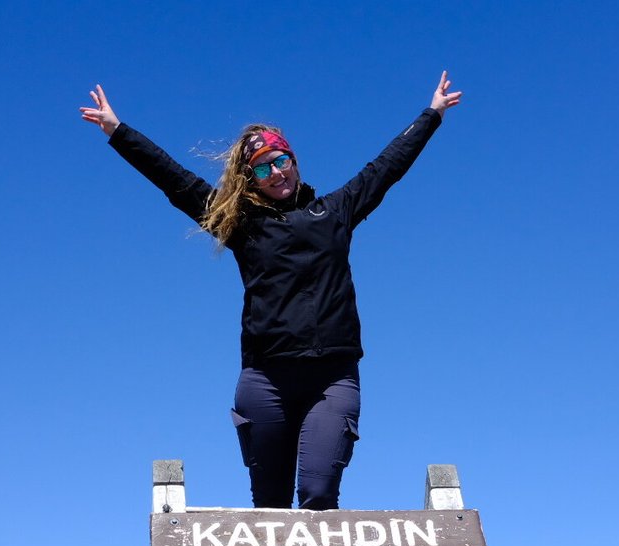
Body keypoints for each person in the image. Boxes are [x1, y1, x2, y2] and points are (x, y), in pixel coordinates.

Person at [80, 73, 462, 510]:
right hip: (266, 380)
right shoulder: (242, 227)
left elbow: (387, 167)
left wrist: (431, 115)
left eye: (280, 161)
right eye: (262, 168)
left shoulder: (335, 211)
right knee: (271, 507)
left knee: (318, 495)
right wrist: (118, 131)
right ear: (251, 178)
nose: (275, 172)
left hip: (331, 377)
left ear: (294, 161)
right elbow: (175, 181)